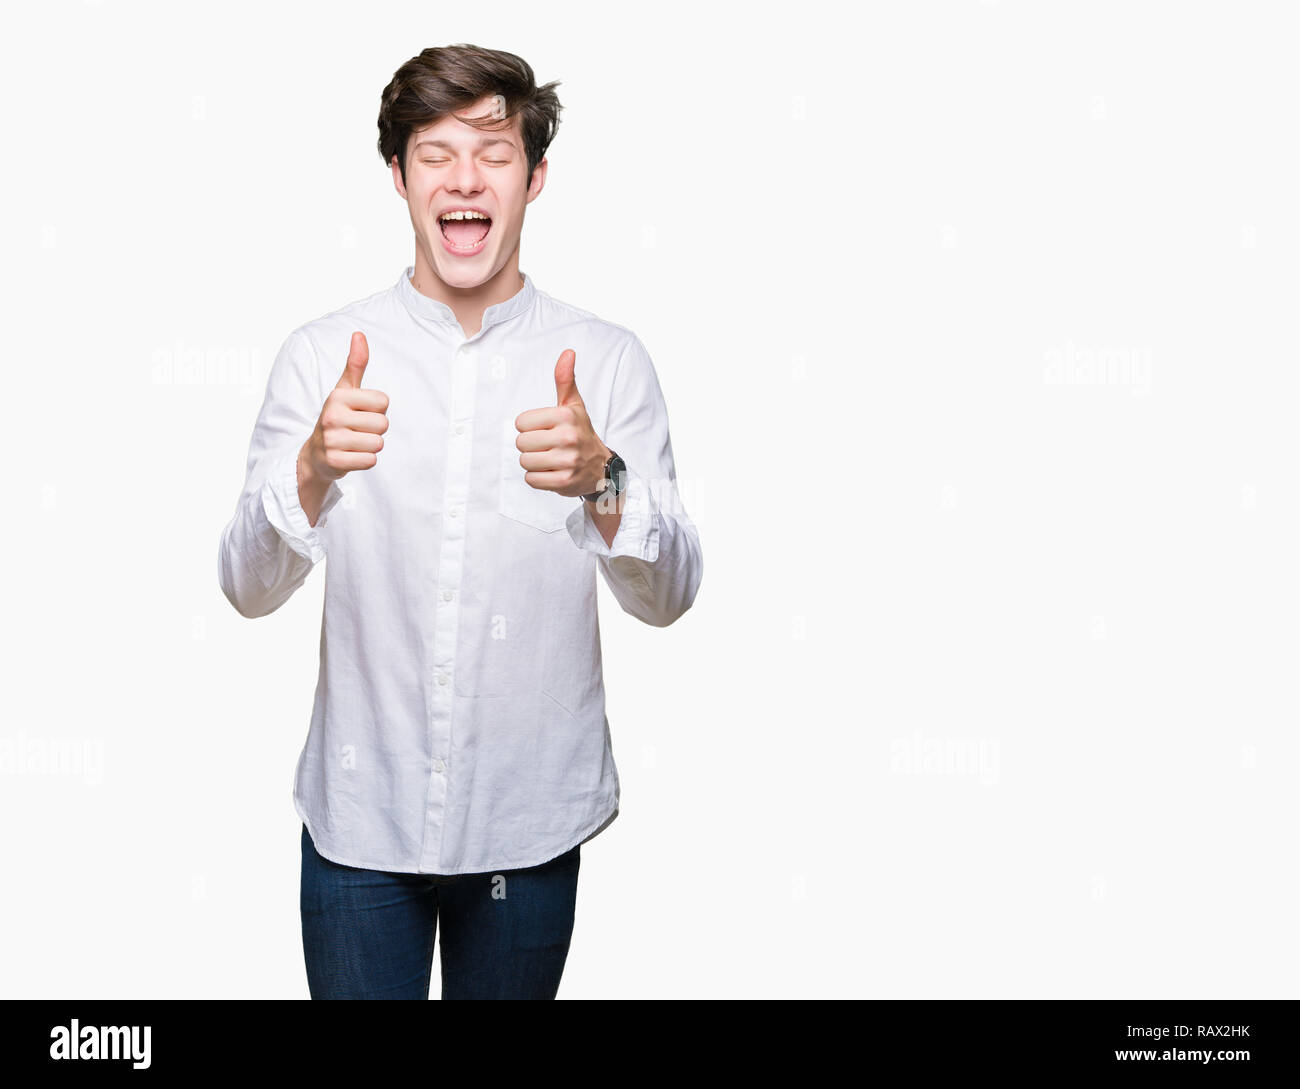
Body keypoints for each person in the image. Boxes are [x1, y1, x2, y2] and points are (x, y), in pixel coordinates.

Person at [216, 43, 703, 999]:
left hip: (529, 824)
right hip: (362, 822)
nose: (466, 178)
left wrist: (602, 478)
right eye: (435, 153)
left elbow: (672, 596)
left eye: (494, 150)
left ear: (536, 176)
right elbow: (243, 586)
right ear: (398, 177)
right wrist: (310, 469)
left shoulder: (605, 361)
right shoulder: (323, 356)